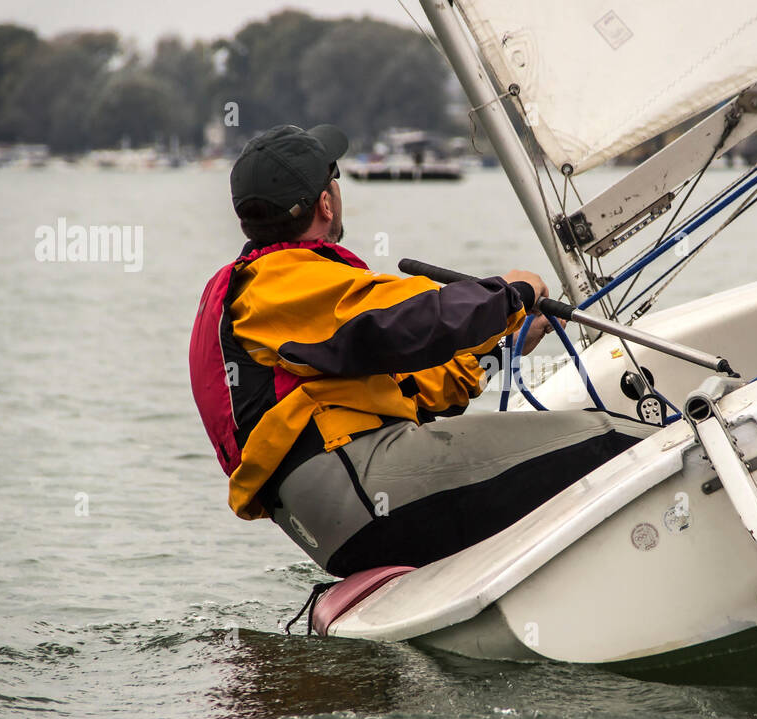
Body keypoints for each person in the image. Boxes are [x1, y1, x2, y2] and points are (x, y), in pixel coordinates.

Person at [189, 124, 653, 581]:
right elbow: (418, 319)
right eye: (335, 177)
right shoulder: (279, 283)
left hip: (342, 519)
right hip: (364, 492)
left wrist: (506, 346)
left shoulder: (279, 304)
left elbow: (424, 387)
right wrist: (511, 295)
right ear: (325, 203)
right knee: (613, 440)